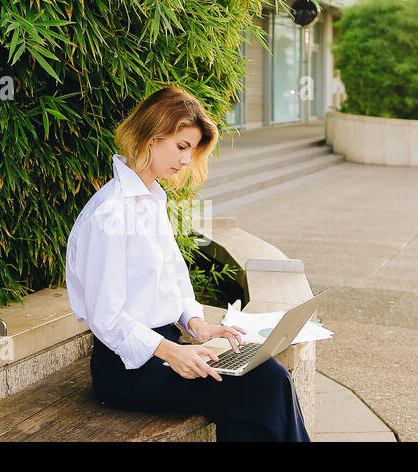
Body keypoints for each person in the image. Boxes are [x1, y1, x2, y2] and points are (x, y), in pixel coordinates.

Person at [64, 86, 311, 442]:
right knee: (264, 385)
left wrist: (196, 324)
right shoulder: (110, 213)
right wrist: (171, 352)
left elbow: (173, 278)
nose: (184, 160)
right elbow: (107, 317)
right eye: (181, 146)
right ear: (152, 135)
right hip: (129, 369)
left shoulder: (151, 198)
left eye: (191, 150)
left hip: (168, 349)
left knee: (264, 377)